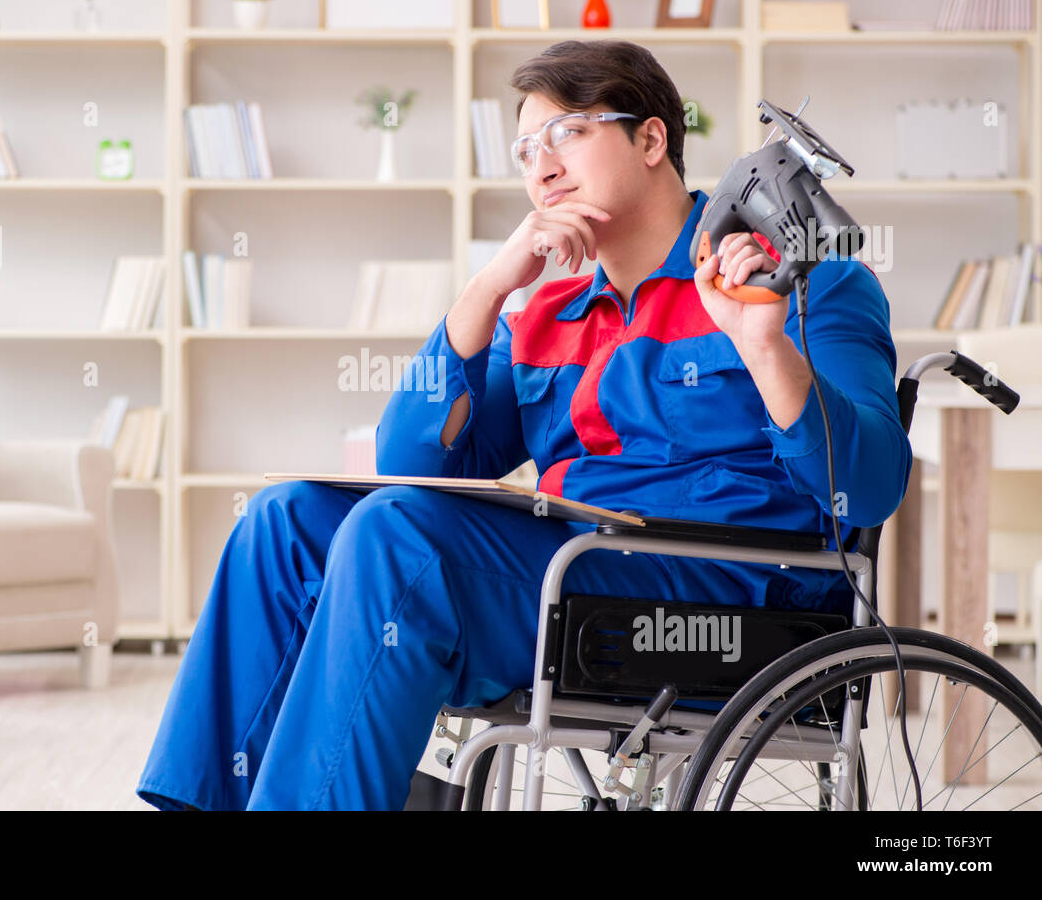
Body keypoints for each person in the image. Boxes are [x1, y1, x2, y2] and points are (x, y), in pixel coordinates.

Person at [136, 39, 912, 811]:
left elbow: (870, 488)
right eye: (524, 147)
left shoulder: (801, 279)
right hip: (577, 572)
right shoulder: (544, 313)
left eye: (568, 132)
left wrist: (765, 347)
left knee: (397, 538)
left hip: (722, 605)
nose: (540, 165)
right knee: (286, 521)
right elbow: (412, 464)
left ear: (651, 139)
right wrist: (485, 291)